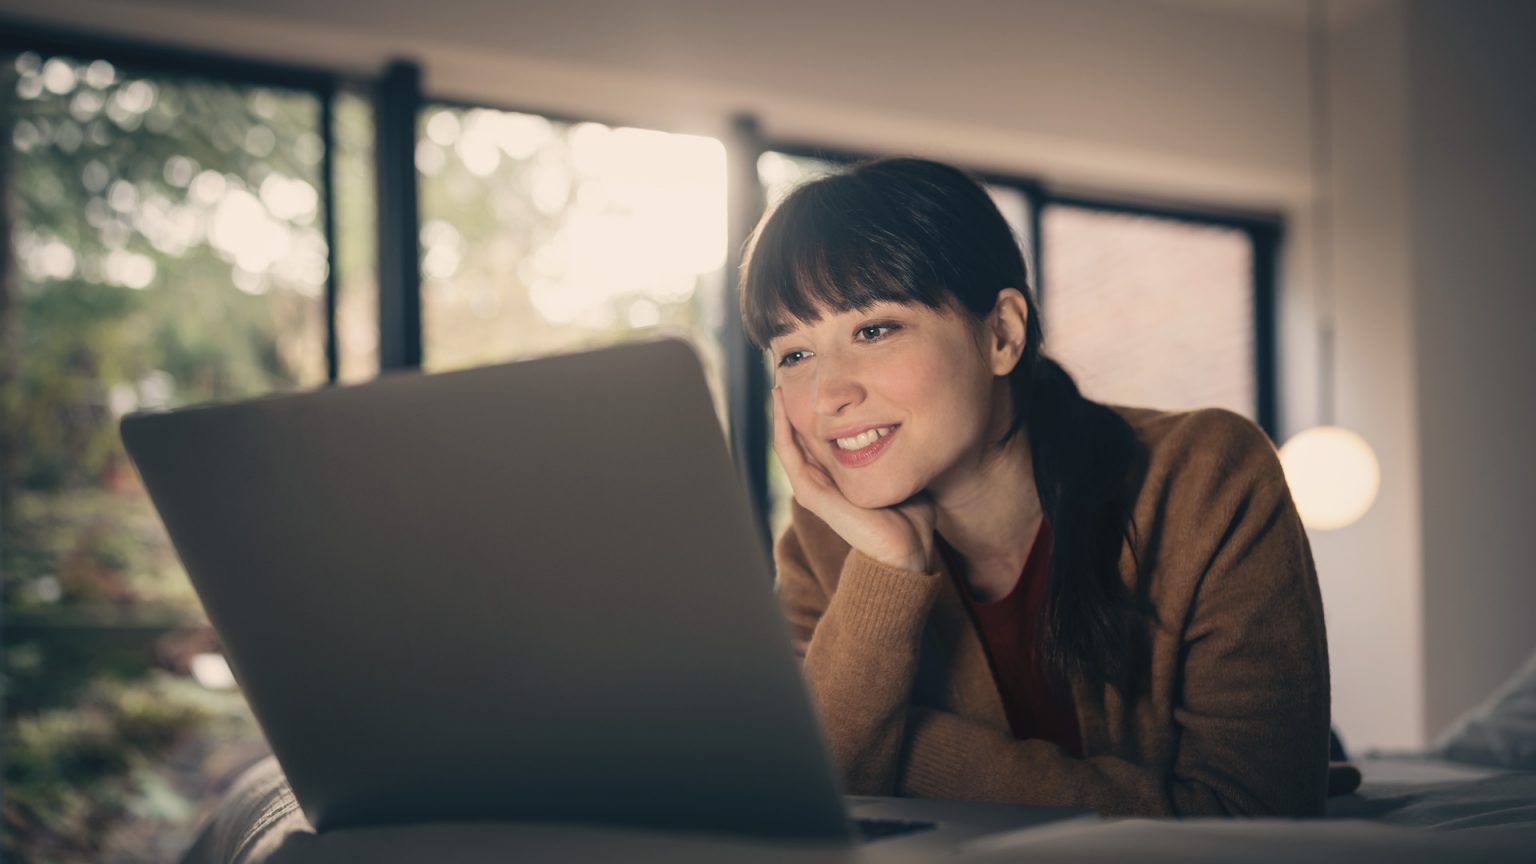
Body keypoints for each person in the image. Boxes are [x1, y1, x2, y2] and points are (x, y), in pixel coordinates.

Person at [738, 157, 1356, 817]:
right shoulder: (825, 537)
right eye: (795, 354)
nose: (830, 394)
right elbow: (796, 807)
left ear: (1002, 333)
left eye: (875, 329)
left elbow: (1252, 821)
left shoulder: (1208, 476)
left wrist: (895, 742)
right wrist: (887, 567)